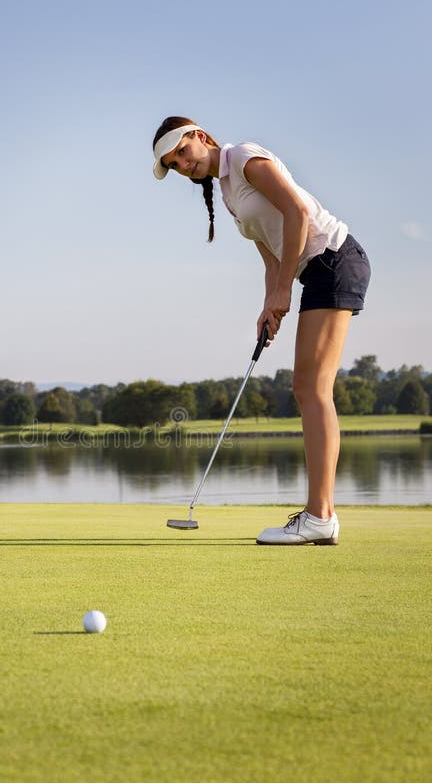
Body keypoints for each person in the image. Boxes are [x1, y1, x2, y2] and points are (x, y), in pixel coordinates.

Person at [152, 116, 371, 545]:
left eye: (182, 151)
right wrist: (270, 303)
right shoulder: (230, 195)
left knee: (312, 389)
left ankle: (320, 516)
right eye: (173, 164)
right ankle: (320, 516)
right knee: (307, 388)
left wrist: (284, 289)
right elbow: (271, 257)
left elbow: (298, 213)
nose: (182, 164)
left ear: (201, 136)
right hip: (316, 272)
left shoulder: (246, 158)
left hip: (334, 259)